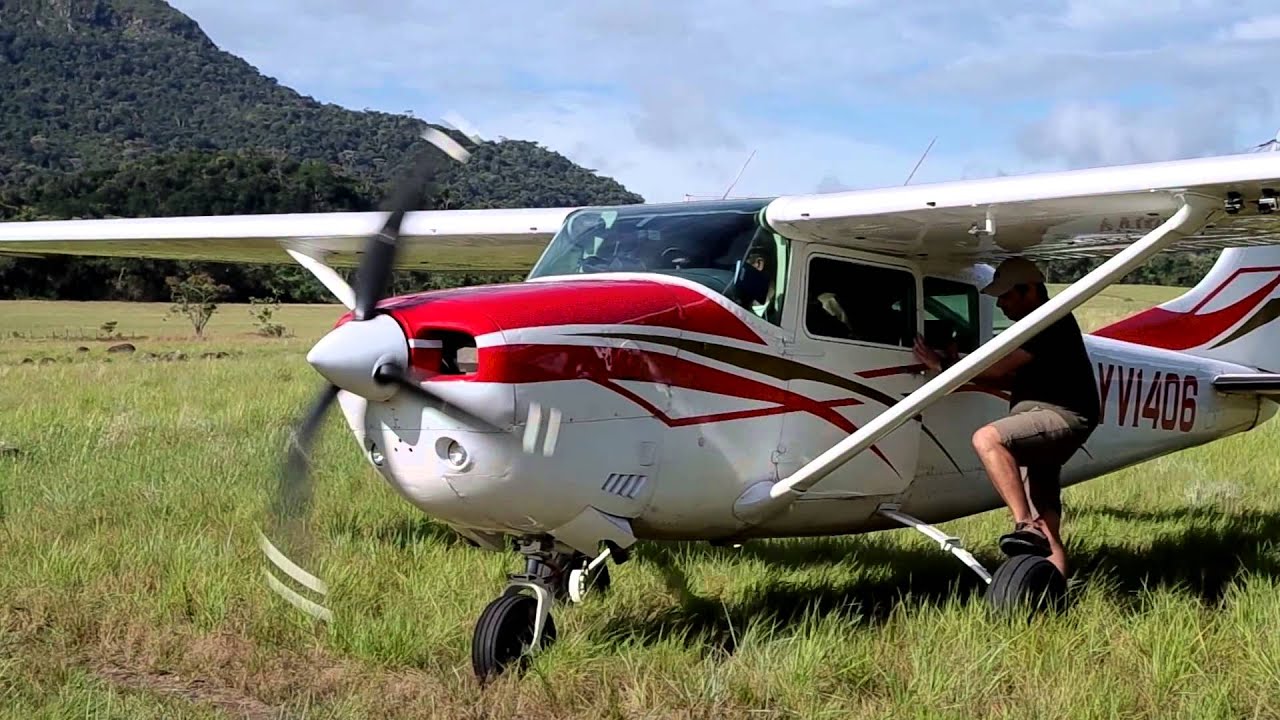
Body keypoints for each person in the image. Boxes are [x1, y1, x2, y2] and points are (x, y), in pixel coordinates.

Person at [911, 257, 1099, 577]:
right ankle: (1051, 593)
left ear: (1029, 292)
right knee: (1048, 524)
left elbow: (997, 367)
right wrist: (958, 365)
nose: (1000, 305)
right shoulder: (1039, 325)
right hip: (1041, 420)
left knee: (988, 438)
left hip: (1060, 417)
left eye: (1006, 296)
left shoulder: (1047, 321)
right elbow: (1003, 378)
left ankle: (1024, 525)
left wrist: (943, 366)